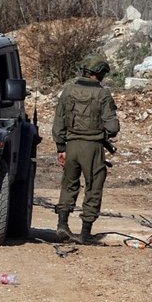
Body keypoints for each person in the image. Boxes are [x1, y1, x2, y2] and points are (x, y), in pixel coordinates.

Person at [51, 54, 120, 243]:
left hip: (71, 146)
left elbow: (58, 122)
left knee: (69, 184)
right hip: (93, 147)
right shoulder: (103, 94)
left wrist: (61, 147)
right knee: (94, 187)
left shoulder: (68, 91)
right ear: (99, 72)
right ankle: (85, 232)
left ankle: (62, 224)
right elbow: (112, 127)